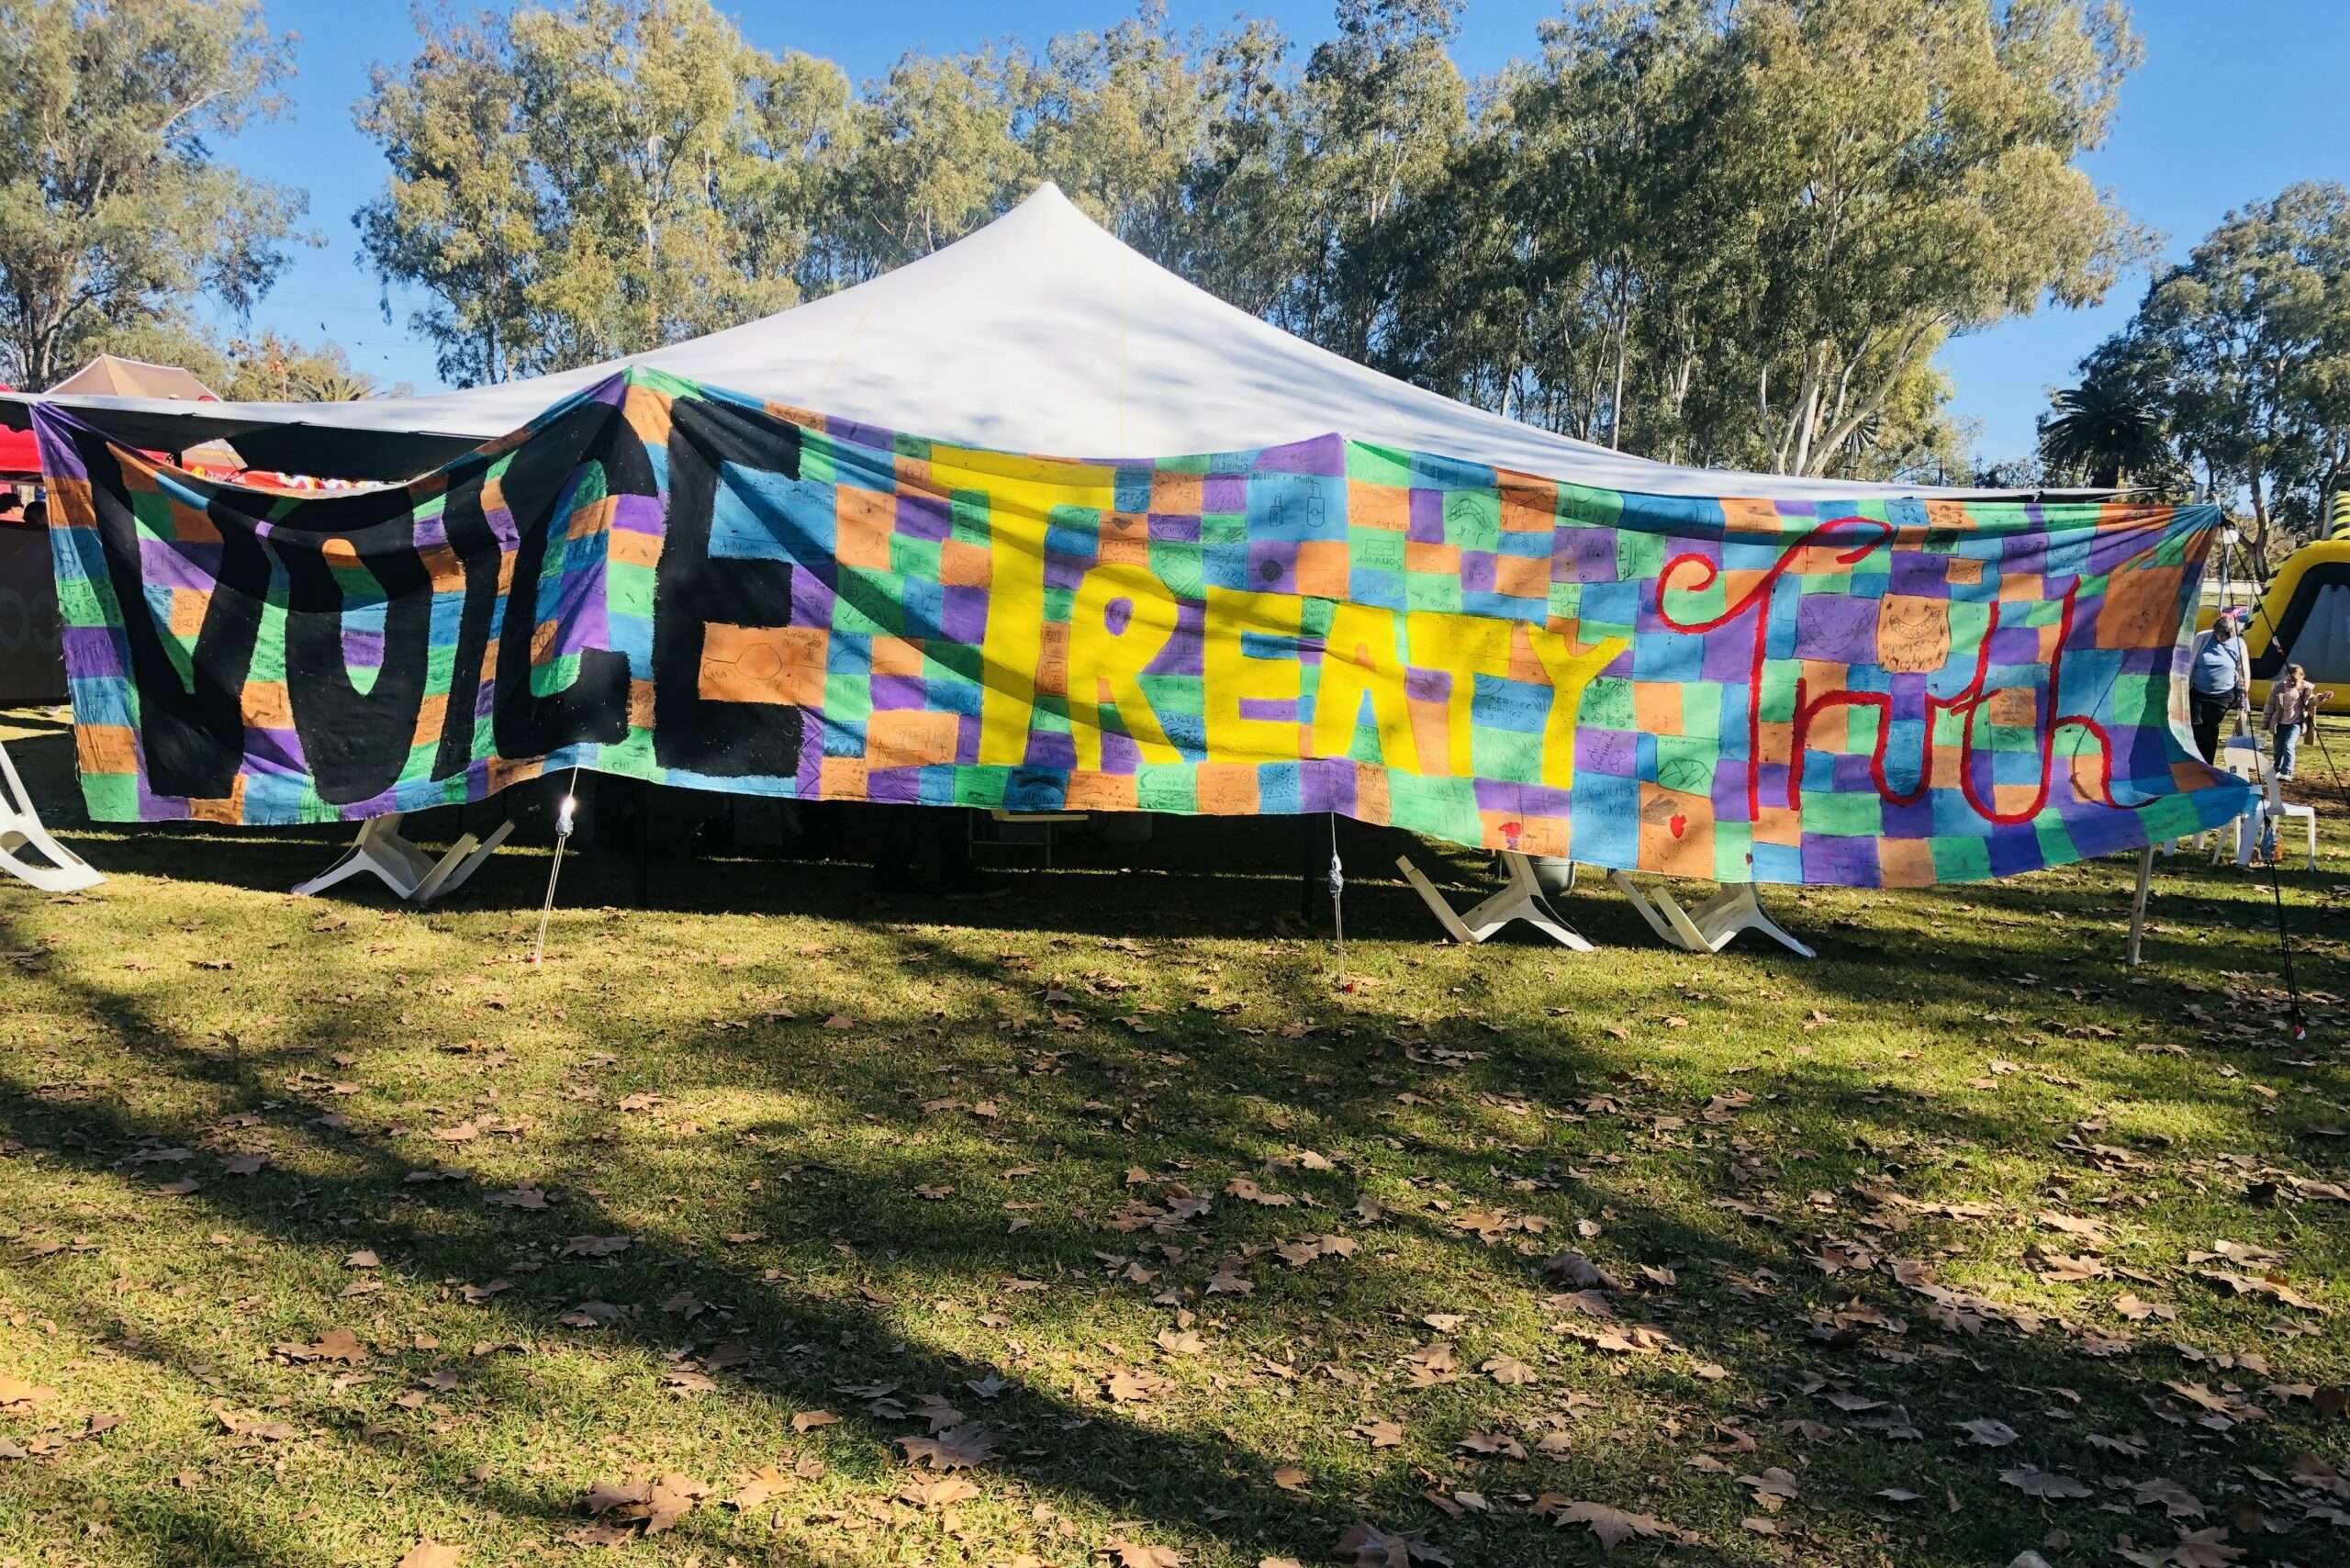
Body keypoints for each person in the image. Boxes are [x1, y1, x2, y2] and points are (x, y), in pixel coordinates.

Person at [2187, 613, 2250, 764]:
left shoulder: (2239, 643)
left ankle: (2208, 764)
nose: (2225, 639)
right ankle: (2193, 762)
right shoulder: (2202, 638)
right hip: (2197, 691)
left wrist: (2242, 693)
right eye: (2222, 636)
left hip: (2223, 695)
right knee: (2194, 727)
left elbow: (2243, 670)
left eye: (2229, 637)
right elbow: (2189, 661)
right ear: (2216, 631)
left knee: (2211, 729)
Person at [2263, 663, 2322, 781]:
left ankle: (2287, 772)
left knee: (2289, 745)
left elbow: (2312, 703)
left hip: (2296, 723)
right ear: (2285, 678)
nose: (2291, 683)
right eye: (2289, 680)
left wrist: (2322, 697)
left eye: (2295, 680)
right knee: (2278, 749)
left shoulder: (2305, 690)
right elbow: (2269, 705)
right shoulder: (2278, 688)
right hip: (2279, 723)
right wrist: (2265, 721)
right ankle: (2278, 769)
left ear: (2301, 678)